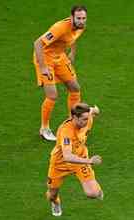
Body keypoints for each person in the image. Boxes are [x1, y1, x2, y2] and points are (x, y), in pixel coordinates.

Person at [33, 5, 88, 141]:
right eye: (79, 18)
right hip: (45, 59)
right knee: (52, 95)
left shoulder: (80, 27)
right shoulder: (60, 28)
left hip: (60, 57)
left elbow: (73, 38)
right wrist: (43, 67)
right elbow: (38, 43)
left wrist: (72, 53)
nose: (81, 21)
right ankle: (44, 129)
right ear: (72, 18)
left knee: (75, 88)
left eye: (84, 18)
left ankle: (72, 122)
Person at [46, 103, 103, 217]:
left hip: (80, 158)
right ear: (75, 117)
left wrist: (95, 110)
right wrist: (89, 161)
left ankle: (97, 190)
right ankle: (56, 202)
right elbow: (67, 156)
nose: (87, 121)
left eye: (88, 118)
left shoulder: (87, 117)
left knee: (93, 193)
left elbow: (93, 111)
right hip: (60, 163)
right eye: (84, 119)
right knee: (51, 195)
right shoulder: (66, 132)